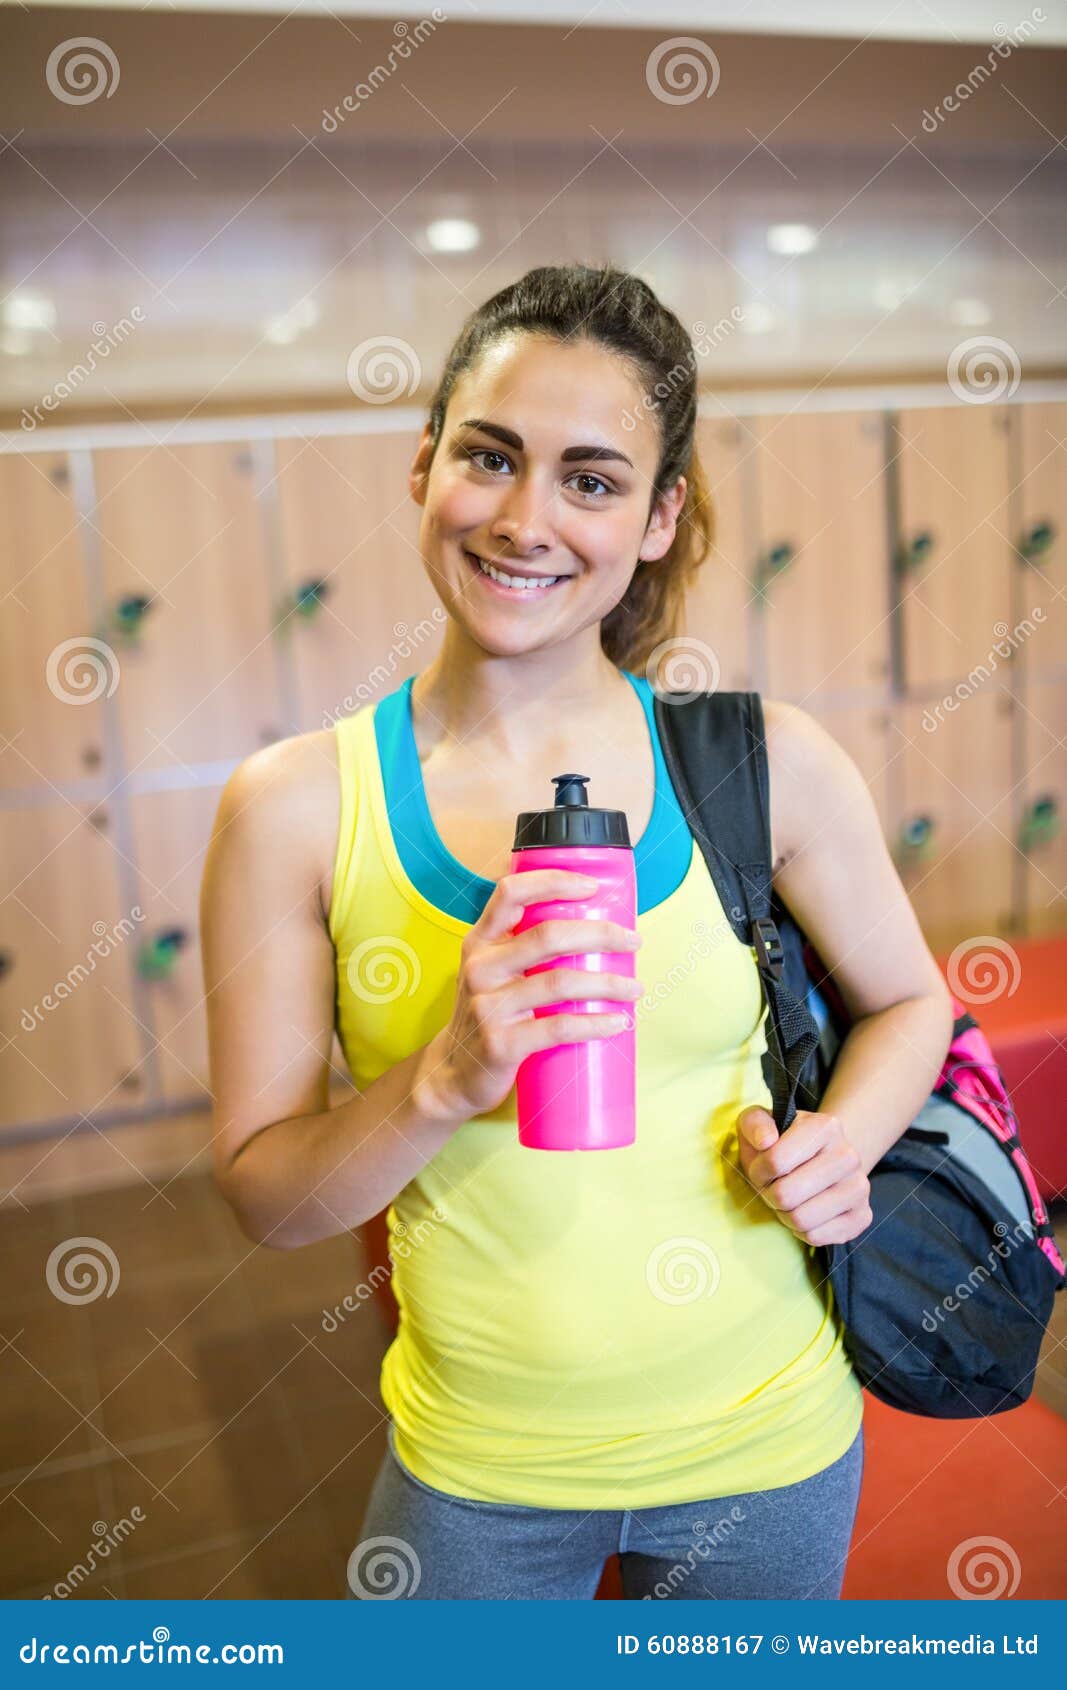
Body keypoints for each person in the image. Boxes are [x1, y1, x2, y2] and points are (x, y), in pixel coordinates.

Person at [201, 263, 953, 1601]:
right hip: (477, 1474)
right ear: (424, 462)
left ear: (660, 518)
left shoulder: (768, 766)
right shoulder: (296, 809)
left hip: (769, 1445)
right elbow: (267, 1194)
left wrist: (845, 1139)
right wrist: (440, 1080)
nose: (526, 517)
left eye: (592, 479)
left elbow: (913, 1003)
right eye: (489, 456)